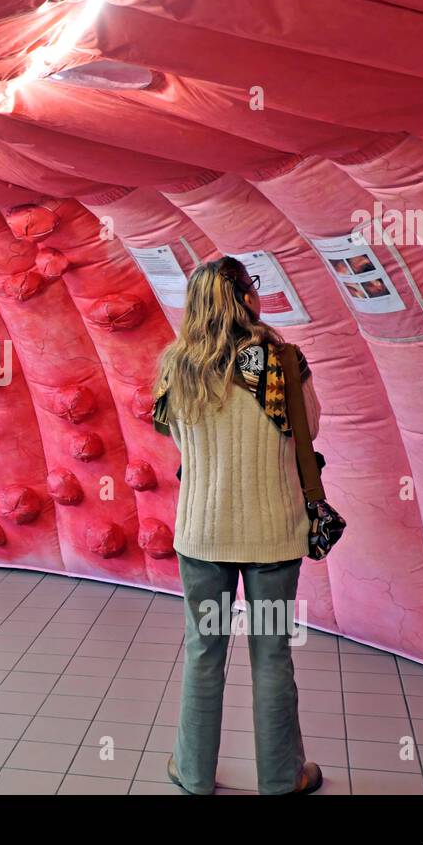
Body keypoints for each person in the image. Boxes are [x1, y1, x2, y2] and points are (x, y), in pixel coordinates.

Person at [151, 256, 323, 796]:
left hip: (202, 537)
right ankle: (281, 778)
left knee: (204, 651)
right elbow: (308, 428)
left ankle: (194, 773)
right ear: (246, 297)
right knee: (271, 654)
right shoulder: (282, 362)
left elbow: (181, 445)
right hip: (273, 536)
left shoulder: (177, 365)